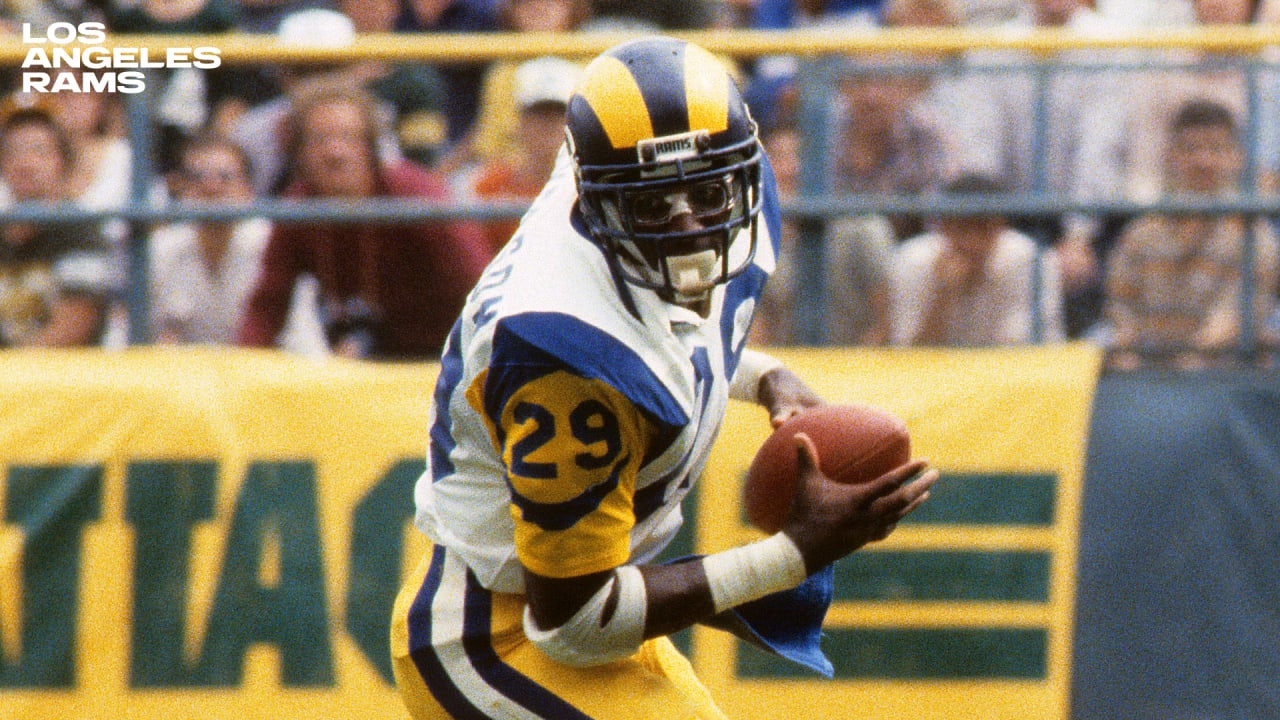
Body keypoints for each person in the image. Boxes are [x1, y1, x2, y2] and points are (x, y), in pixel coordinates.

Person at [389, 37, 938, 719]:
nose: (689, 228)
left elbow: (668, 335)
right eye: (653, 208)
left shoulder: (717, 188)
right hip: (495, 640)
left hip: (578, 604)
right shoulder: (562, 346)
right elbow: (575, 621)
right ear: (598, 203)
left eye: (708, 194)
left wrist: (765, 377)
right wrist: (792, 554)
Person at [235, 87, 488, 360]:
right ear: (299, 151)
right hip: (363, 362)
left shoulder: (416, 195)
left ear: (370, 146)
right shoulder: (298, 207)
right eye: (319, 140)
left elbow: (479, 284)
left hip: (444, 360)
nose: (335, 152)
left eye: (348, 137)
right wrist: (242, 373)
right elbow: (267, 306)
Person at [1104, 99, 1280, 370]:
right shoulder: (1141, 233)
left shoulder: (1255, 237)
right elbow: (1121, 312)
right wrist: (1129, 357)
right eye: (1191, 148)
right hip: (1148, 377)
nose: (1203, 160)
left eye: (1216, 149)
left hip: (1223, 380)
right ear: (1171, 156)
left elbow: (1234, 320)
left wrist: (1184, 366)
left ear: (1237, 157)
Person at [149, 133, 326, 351]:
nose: (211, 187)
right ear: (181, 188)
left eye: (225, 177)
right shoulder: (159, 250)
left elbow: (304, 342)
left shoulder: (275, 245)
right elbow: (131, 343)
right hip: (182, 379)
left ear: (249, 190)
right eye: (197, 177)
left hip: (263, 377)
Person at [890, 173, 1066, 346]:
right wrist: (942, 295)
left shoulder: (1032, 260)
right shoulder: (913, 260)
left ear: (1001, 225)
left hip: (1010, 372)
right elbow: (909, 357)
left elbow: (1029, 352)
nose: (972, 242)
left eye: (983, 228)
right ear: (943, 226)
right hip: (937, 373)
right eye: (962, 228)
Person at [0, 108, 117, 347]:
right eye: (14, 151)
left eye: (39, 151)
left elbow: (73, 329)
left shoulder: (80, 229)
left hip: (63, 378)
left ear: (61, 161)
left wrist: (11, 372)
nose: (26, 162)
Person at [466, 56, 583, 257]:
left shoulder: (589, 187)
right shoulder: (490, 186)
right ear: (520, 121)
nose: (548, 124)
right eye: (538, 113)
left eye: (558, 114)